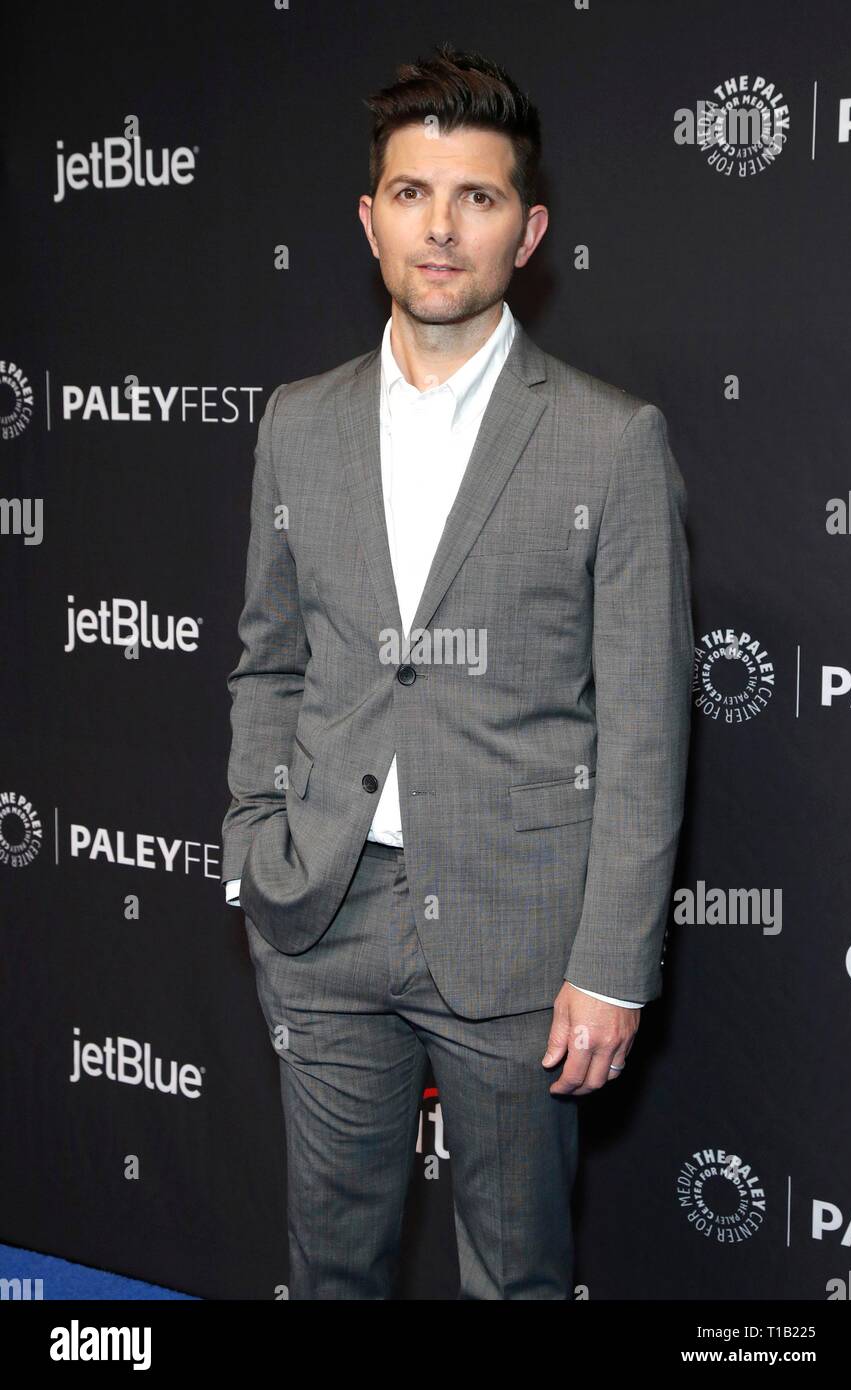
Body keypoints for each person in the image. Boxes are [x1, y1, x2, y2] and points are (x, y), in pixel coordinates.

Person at [221, 43, 694, 1300]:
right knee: (329, 1266)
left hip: (518, 936)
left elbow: (645, 724)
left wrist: (608, 962)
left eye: (476, 198)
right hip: (320, 913)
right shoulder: (295, 422)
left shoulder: (609, 441)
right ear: (368, 218)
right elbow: (267, 657)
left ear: (526, 231)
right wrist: (253, 836)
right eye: (413, 194)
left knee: (516, 1275)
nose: (441, 228)